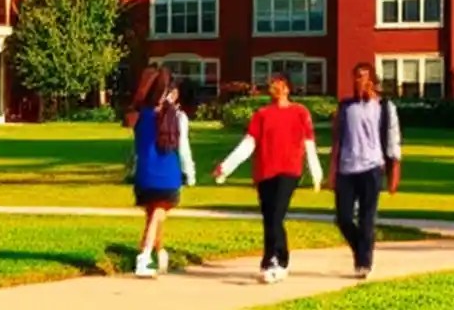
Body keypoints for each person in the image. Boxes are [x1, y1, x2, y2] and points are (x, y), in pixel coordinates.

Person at [213, 73, 322, 284]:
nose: (275, 86)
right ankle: (273, 259)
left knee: (276, 215)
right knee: (270, 218)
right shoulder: (261, 115)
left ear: (288, 88)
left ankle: (276, 261)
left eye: (279, 83)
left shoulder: (300, 112)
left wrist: (316, 174)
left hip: (289, 170)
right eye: (272, 83)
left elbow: (309, 145)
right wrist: (226, 167)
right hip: (264, 172)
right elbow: (248, 144)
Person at [330, 62, 402, 279]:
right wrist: (331, 171)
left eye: (363, 76)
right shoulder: (345, 107)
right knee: (343, 218)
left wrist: (394, 172)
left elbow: (393, 139)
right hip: (347, 168)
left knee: (366, 218)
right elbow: (337, 141)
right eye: (356, 76)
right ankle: (361, 250)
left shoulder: (384, 107)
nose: (359, 80)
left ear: (372, 81)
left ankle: (364, 262)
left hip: (372, 168)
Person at [130, 68, 196, 278]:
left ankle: (159, 252)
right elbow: (184, 148)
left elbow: (137, 149)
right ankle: (144, 257)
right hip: (167, 174)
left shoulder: (140, 117)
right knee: (158, 214)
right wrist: (190, 172)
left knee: (153, 215)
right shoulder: (178, 117)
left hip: (144, 173)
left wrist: (132, 170)